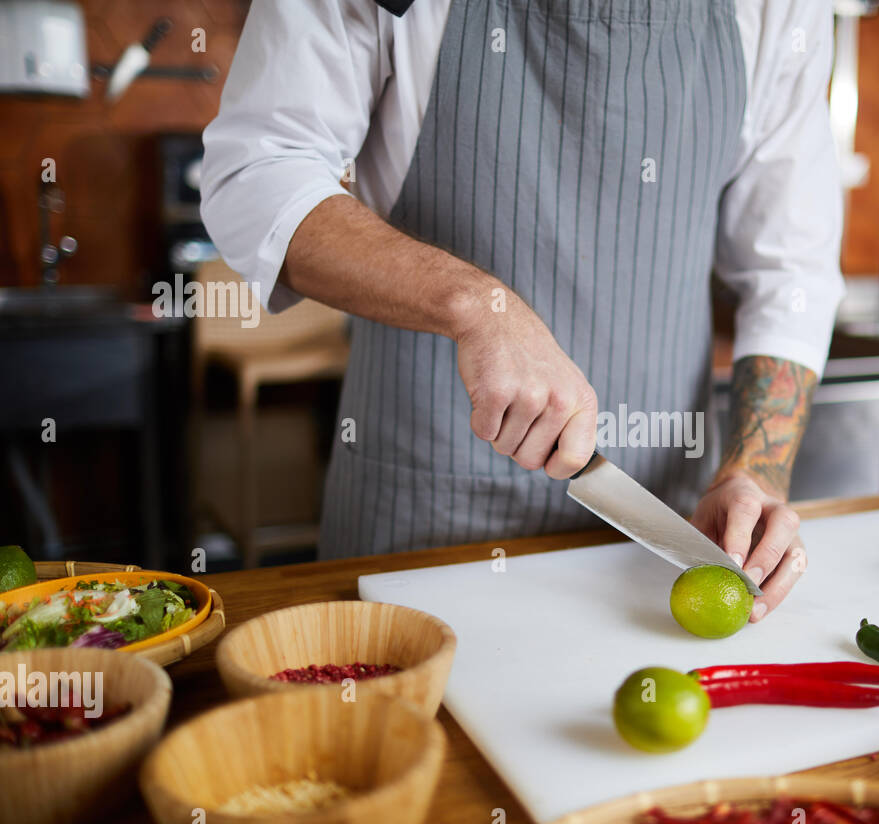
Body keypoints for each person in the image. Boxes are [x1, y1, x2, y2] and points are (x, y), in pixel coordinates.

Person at [201, 0, 844, 622]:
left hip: (657, 525)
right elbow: (258, 173)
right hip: (420, 512)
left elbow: (789, 268)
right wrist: (477, 306)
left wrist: (755, 472)